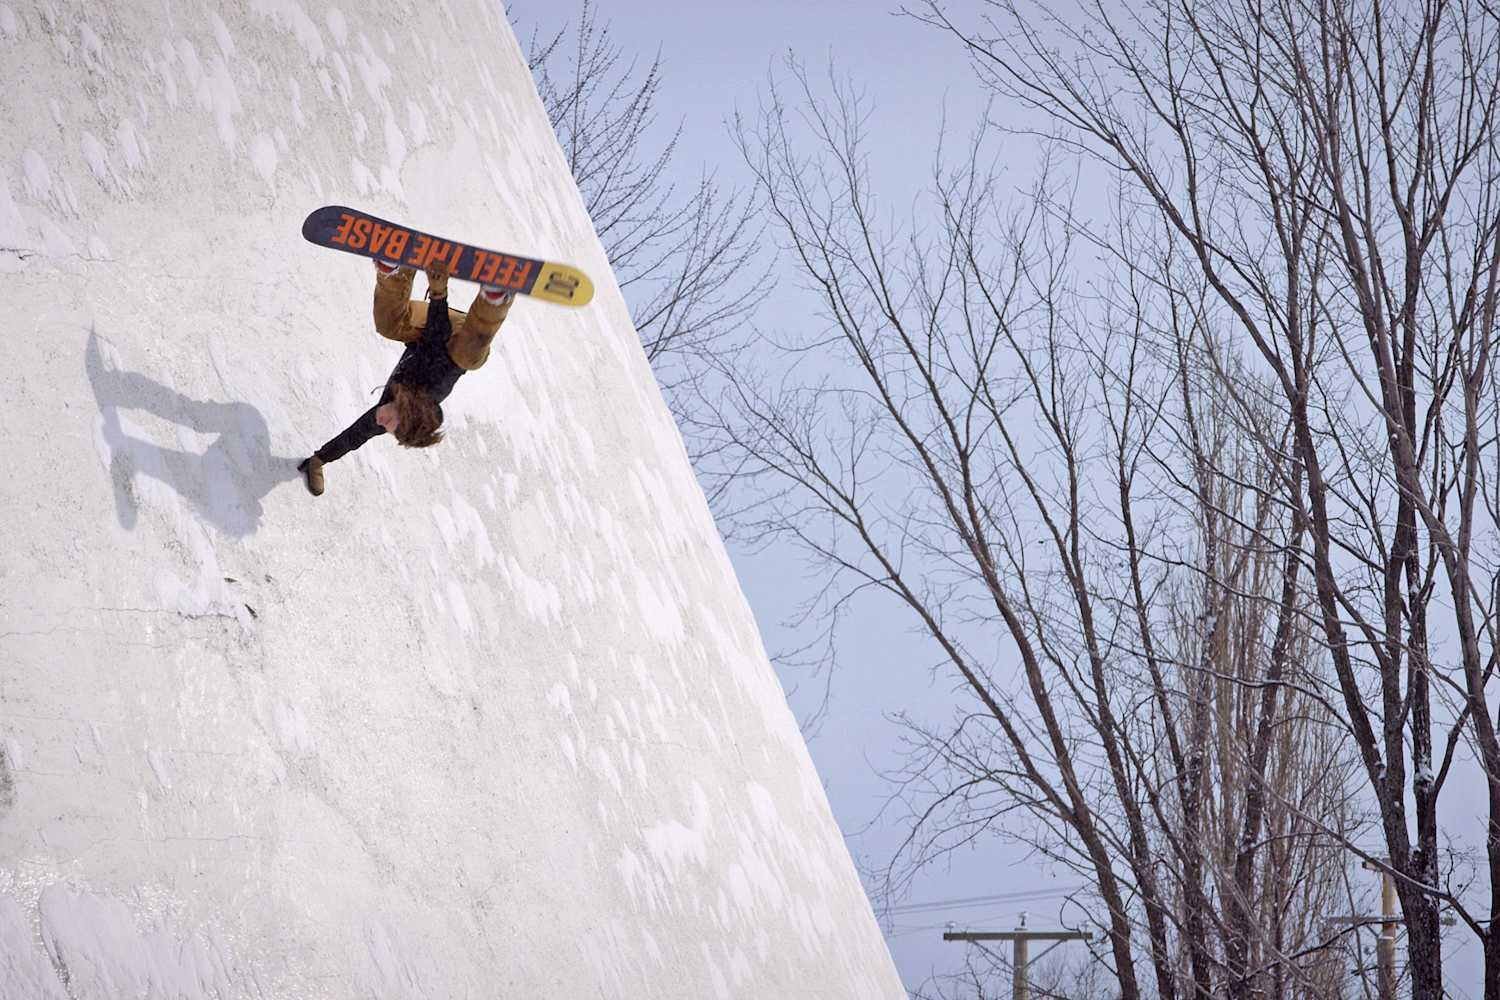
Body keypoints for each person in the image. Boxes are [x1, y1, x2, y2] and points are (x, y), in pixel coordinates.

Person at [297, 260, 515, 496]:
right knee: (467, 358)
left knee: (388, 325)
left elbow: (356, 435)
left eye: (387, 427)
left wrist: (319, 460)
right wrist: (439, 291)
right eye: (390, 421)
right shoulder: (434, 385)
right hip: (459, 335)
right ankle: (494, 301)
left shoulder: (388, 410)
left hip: (427, 339)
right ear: (407, 409)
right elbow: (437, 335)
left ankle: (395, 271)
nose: (382, 422)